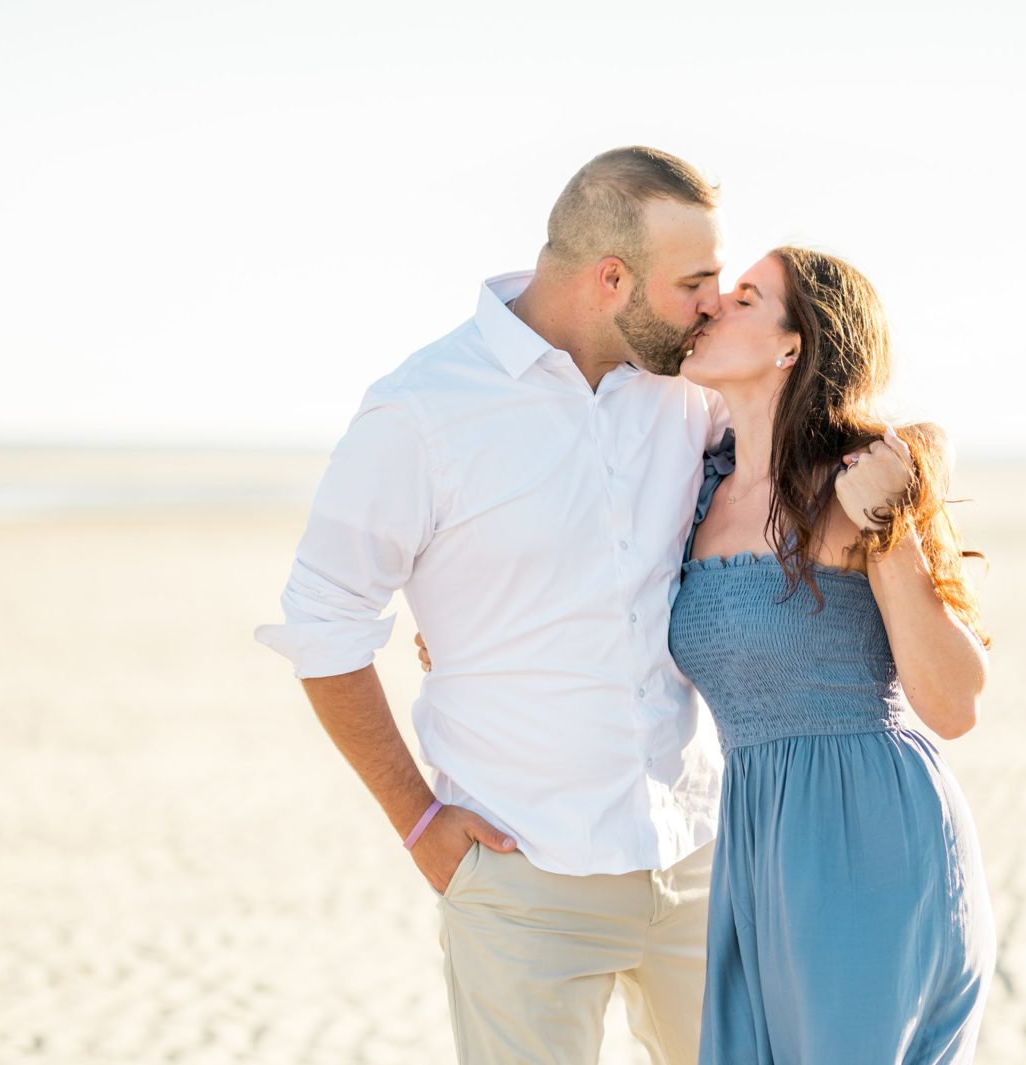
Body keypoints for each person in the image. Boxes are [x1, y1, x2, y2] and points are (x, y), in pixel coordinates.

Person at [254, 146, 730, 1065]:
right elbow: (322, 624)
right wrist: (421, 822)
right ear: (611, 278)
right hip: (523, 879)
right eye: (695, 282)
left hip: (700, 857)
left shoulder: (689, 393)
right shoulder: (423, 410)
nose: (715, 302)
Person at [669, 246, 997, 1063]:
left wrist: (888, 533)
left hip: (868, 837)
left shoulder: (858, 488)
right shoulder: (698, 489)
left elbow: (955, 703)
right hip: (754, 843)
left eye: (746, 297)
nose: (713, 306)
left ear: (793, 346)